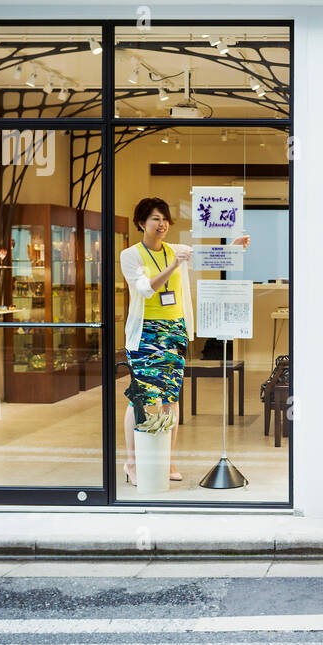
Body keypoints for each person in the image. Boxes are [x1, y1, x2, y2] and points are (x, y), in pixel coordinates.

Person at [120, 197, 249, 485]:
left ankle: (166, 461)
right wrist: (173, 266)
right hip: (146, 334)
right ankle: (132, 463)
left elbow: (206, 256)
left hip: (174, 331)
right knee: (141, 398)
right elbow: (146, 289)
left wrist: (233, 247)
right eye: (155, 218)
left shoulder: (176, 250)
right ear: (142, 223)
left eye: (164, 218)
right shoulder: (131, 255)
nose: (161, 224)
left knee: (171, 399)